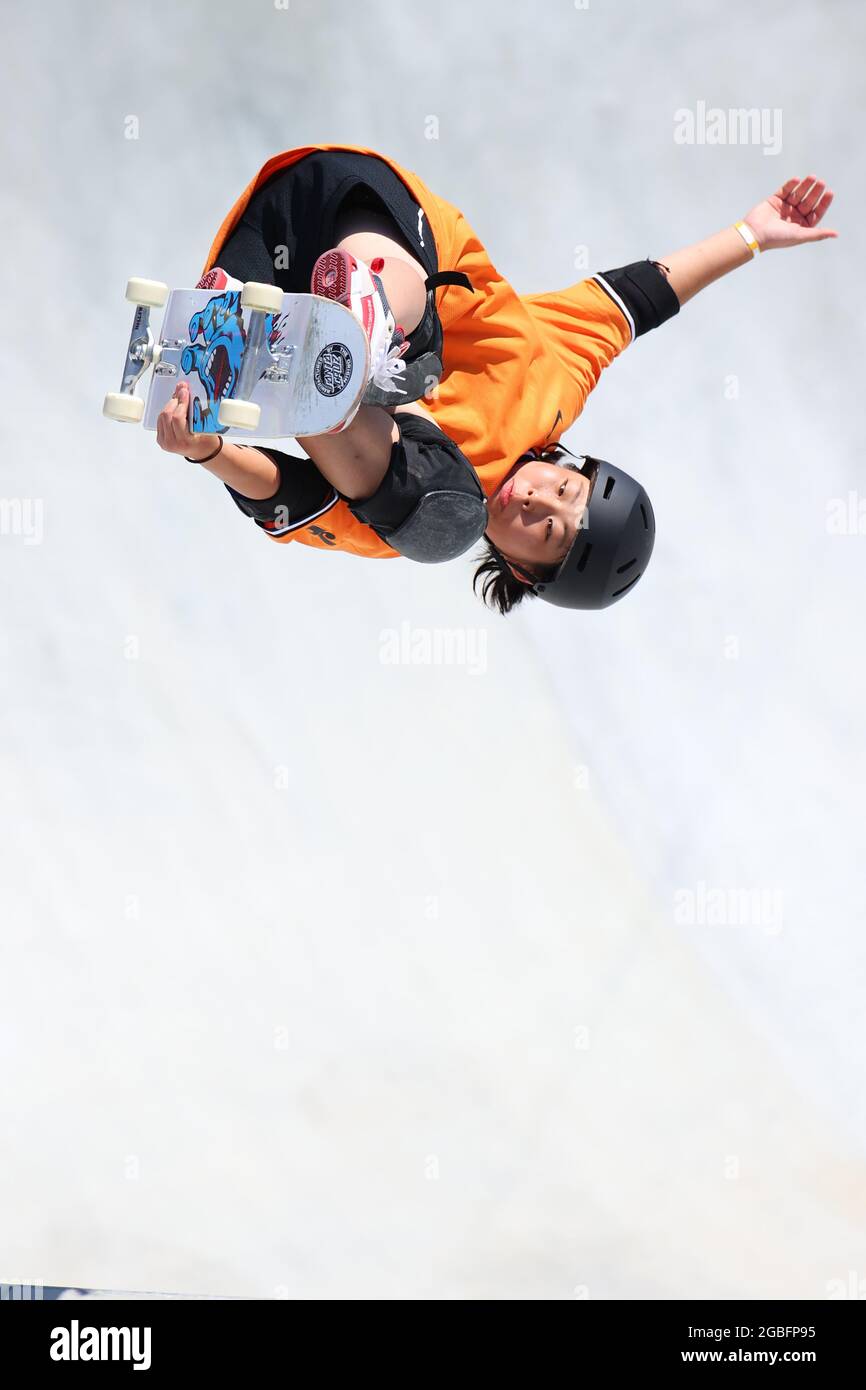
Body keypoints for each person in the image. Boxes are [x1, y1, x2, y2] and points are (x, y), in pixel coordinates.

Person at [155, 145, 836, 612]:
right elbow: (642, 299)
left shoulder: (415, 521)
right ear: (573, 464)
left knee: (439, 524)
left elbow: (289, 493)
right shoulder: (557, 381)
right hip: (360, 212)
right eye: (564, 489)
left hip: (261, 258)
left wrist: (209, 452)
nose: (537, 501)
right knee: (412, 347)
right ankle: (347, 332)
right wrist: (750, 237)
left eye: (546, 531)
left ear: (518, 570)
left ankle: (262, 351)